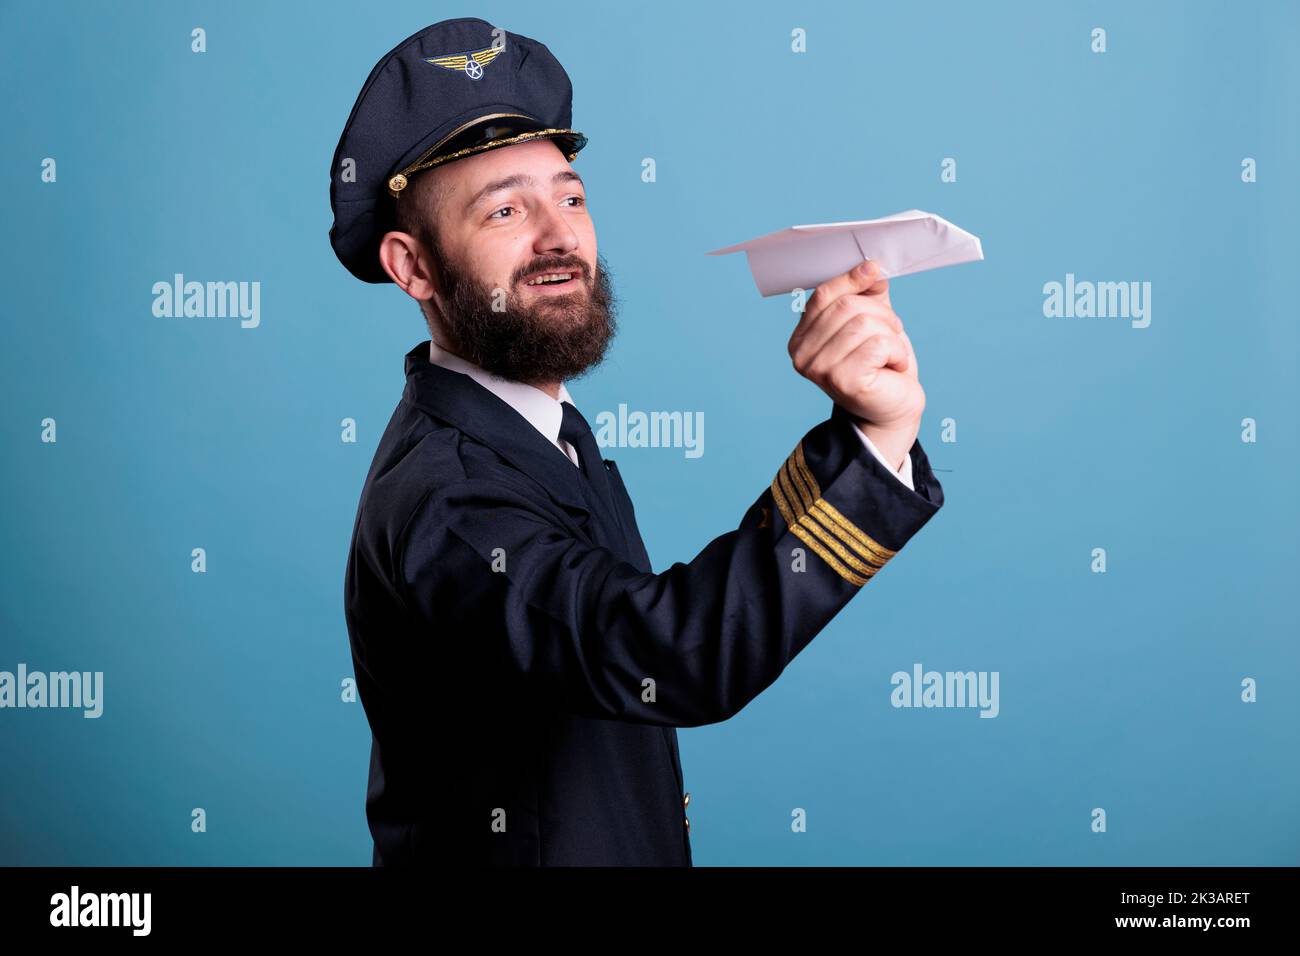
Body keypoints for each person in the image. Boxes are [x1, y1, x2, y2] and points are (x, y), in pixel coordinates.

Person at [330, 18, 945, 866]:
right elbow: (668, 654)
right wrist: (871, 444)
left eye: (571, 197)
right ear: (414, 268)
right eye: (506, 209)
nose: (560, 236)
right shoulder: (448, 500)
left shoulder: (548, 432)